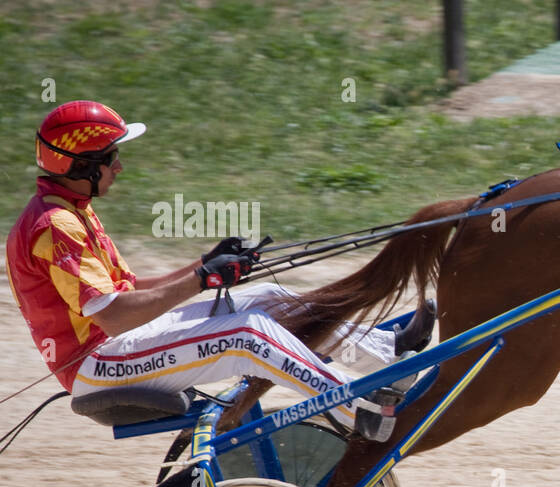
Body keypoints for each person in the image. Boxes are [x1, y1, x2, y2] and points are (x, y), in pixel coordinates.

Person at [5, 100, 432, 440]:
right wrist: (201, 280)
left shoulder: (72, 210)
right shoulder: (55, 226)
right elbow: (115, 317)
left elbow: (129, 292)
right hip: (98, 367)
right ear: (82, 166)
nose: (120, 167)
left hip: (115, 349)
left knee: (269, 299)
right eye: (111, 158)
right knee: (246, 336)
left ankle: (386, 353)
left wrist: (206, 264)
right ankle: (357, 406)